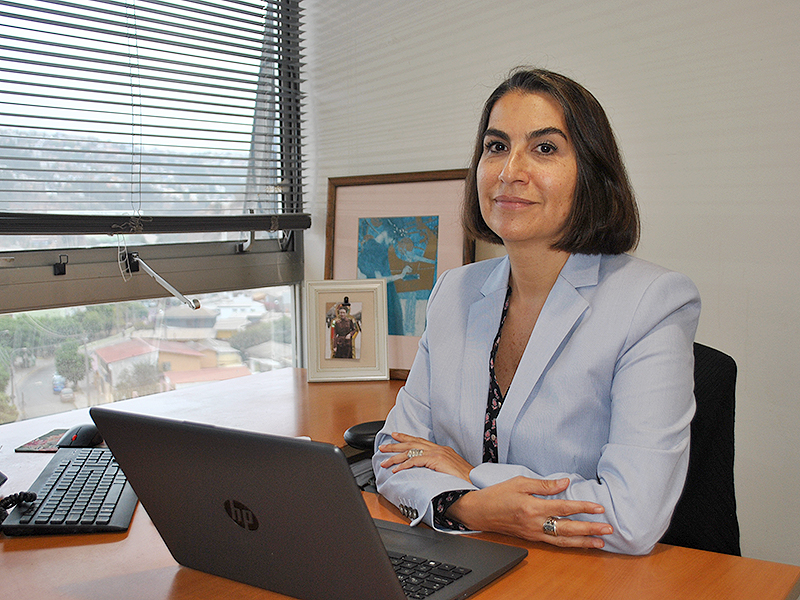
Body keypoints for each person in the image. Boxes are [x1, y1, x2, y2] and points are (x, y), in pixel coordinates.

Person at [372, 68, 701, 555]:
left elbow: (631, 516)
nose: (509, 172)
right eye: (496, 146)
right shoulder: (454, 292)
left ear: (591, 173)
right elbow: (394, 455)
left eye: (544, 148)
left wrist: (470, 476)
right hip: (470, 554)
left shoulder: (652, 302)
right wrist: (466, 507)